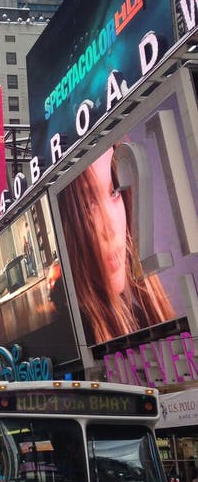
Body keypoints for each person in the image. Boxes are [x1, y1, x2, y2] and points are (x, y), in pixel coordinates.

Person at [57, 145, 175, 345]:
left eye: (114, 192)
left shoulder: (143, 316)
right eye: (88, 205)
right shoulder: (71, 339)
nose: (110, 227)